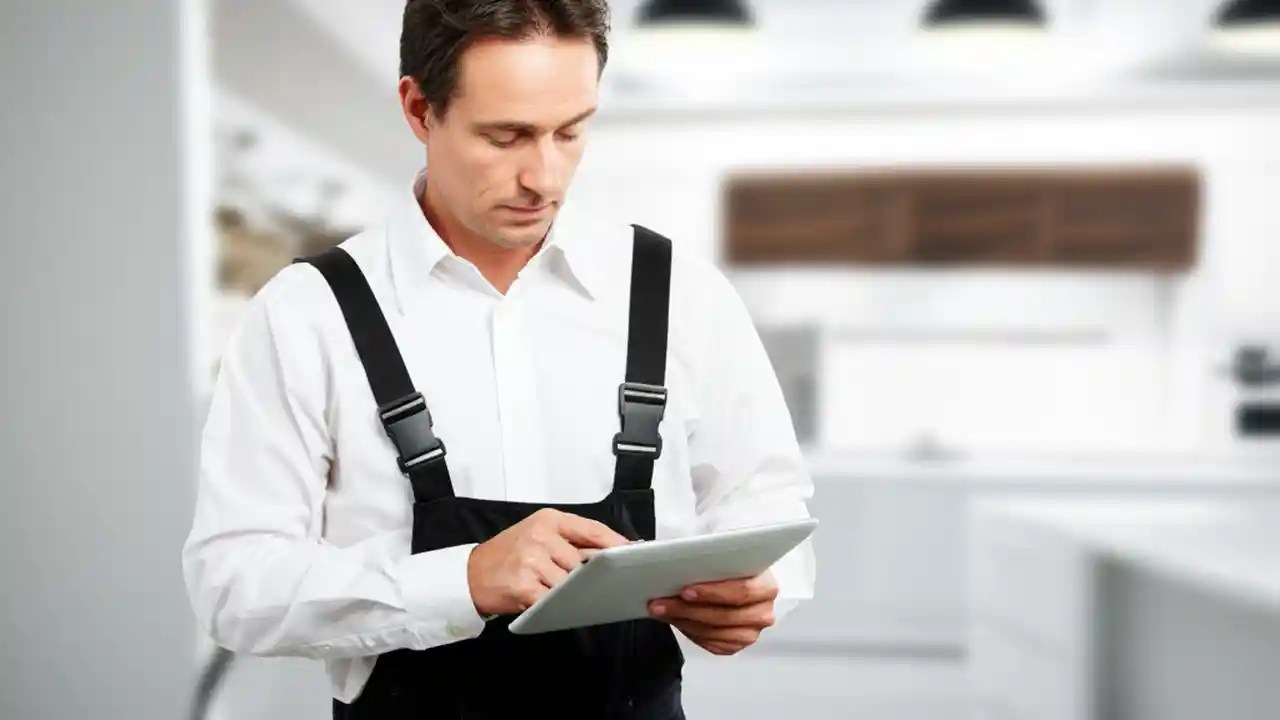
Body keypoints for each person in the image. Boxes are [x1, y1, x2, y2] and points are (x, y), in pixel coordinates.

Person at [181, 1, 815, 717]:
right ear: (419, 108)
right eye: (506, 136)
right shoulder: (305, 314)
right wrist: (466, 578)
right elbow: (232, 585)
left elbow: (768, 505)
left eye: (570, 131)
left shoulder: (682, 294)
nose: (543, 177)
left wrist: (761, 592)